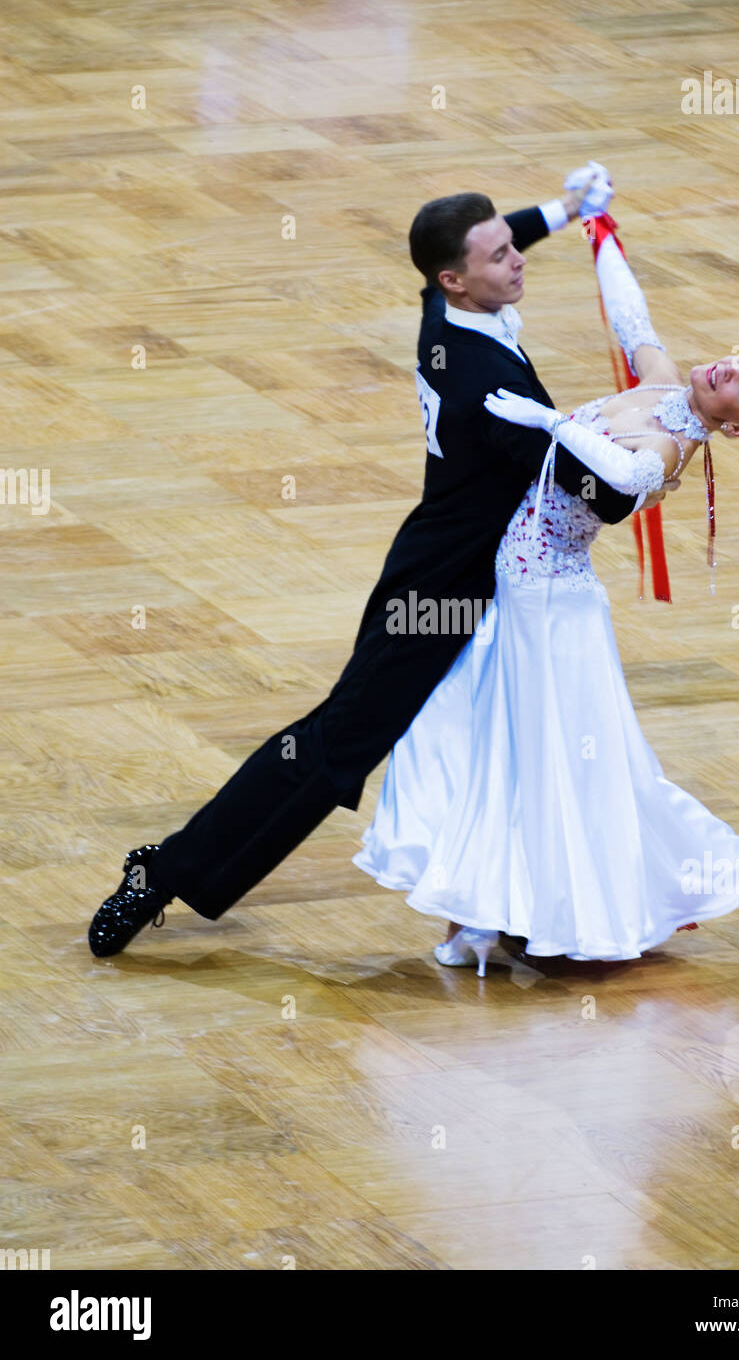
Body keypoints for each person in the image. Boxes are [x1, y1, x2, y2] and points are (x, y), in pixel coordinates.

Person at [88, 167, 672, 957]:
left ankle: (522, 914)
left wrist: (563, 212)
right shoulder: (486, 387)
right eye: (499, 257)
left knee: (522, 733)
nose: (517, 262)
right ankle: (163, 874)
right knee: (335, 749)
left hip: (490, 578)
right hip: (445, 592)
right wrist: (662, 460)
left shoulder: (445, 312)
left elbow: (491, 244)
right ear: (455, 279)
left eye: (511, 245)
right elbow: (600, 498)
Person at [352, 208, 739, 975]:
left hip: (550, 607)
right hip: (510, 590)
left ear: (736, 429)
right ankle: (482, 913)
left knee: (580, 775)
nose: (725, 373)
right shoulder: (666, 385)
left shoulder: (671, 446)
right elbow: (630, 316)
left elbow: (625, 478)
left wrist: (550, 422)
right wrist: (600, 234)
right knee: (485, 748)